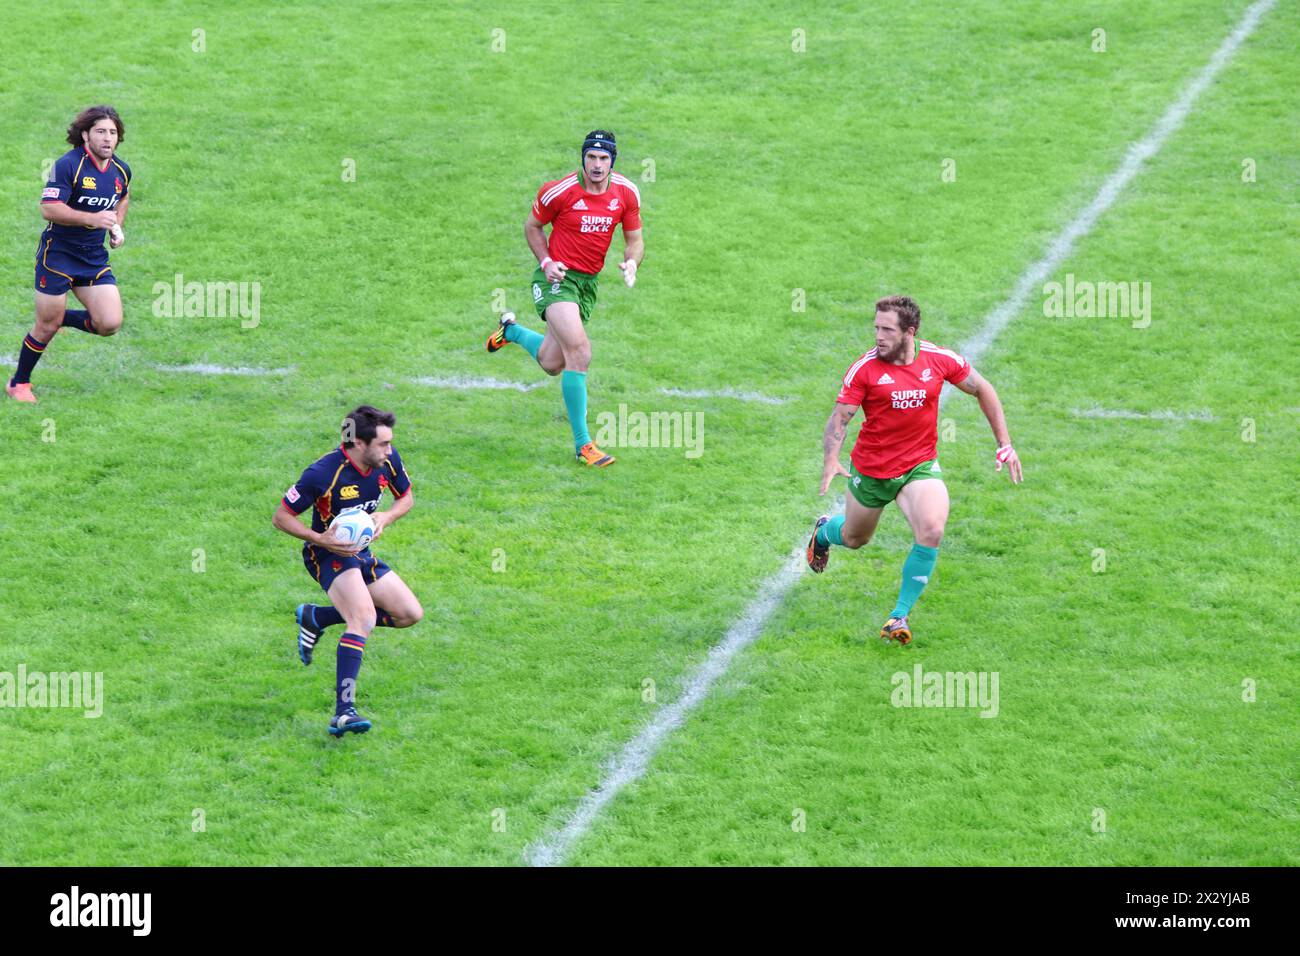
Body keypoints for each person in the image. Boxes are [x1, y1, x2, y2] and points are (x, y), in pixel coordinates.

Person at [807, 295, 1023, 645]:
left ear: (910, 331)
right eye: (876, 327)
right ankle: (823, 532)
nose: (878, 336)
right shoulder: (865, 369)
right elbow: (840, 418)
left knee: (932, 530)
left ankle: (898, 616)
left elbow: (982, 389)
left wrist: (1004, 443)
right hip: (873, 470)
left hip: (918, 466)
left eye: (887, 329)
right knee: (855, 538)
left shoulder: (939, 360)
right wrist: (831, 458)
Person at [485, 129, 644, 467]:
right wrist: (546, 262)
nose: (596, 165)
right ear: (582, 158)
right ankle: (583, 445)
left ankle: (510, 331)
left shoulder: (626, 193)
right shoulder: (559, 191)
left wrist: (632, 262)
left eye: (603, 158)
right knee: (581, 351)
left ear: (612, 161)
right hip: (556, 280)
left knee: (552, 363)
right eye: (591, 157)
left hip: (587, 285)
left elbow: (635, 239)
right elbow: (532, 226)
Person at [273, 405, 424, 736]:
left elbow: (407, 497)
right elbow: (281, 516)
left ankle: (318, 617)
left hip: (361, 553)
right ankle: (344, 712)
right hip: (326, 555)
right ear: (359, 444)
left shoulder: (386, 461)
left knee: (409, 613)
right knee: (363, 618)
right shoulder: (322, 474)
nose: (389, 450)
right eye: (383, 444)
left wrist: (387, 516)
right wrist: (319, 538)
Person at [7, 106, 132, 403]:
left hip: (93, 258)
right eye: (101, 131)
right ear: (86, 134)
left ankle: (62, 318)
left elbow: (123, 196)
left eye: (112, 132)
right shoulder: (67, 165)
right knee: (45, 324)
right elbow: (48, 208)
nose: (107, 138)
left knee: (109, 323)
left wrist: (116, 227)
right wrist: (90, 219)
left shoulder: (121, 170)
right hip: (59, 256)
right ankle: (19, 383)